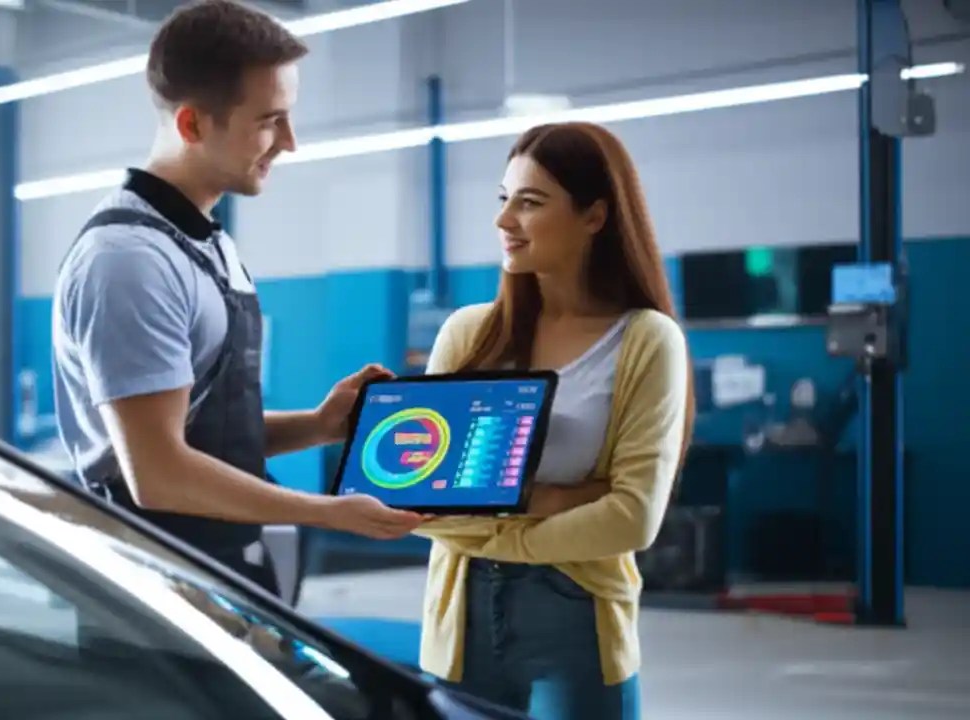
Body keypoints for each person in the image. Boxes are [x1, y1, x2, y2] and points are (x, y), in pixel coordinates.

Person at [50, 0, 422, 595]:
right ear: (193, 125)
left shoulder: (206, 242)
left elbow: (204, 434)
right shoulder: (129, 261)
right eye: (270, 120)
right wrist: (327, 511)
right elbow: (159, 472)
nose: (290, 143)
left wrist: (319, 426)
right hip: (159, 588)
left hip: (225, 568)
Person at [413, 121, 695, 720]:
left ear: (595, 216)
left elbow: (633, 517)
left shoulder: (646, 341)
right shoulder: (469, 335)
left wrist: (495, 515)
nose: (504, 221)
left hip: (577, 618)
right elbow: (416, 504)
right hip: (460, 619)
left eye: (531, 202)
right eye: (503, 199)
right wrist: (562, 498)